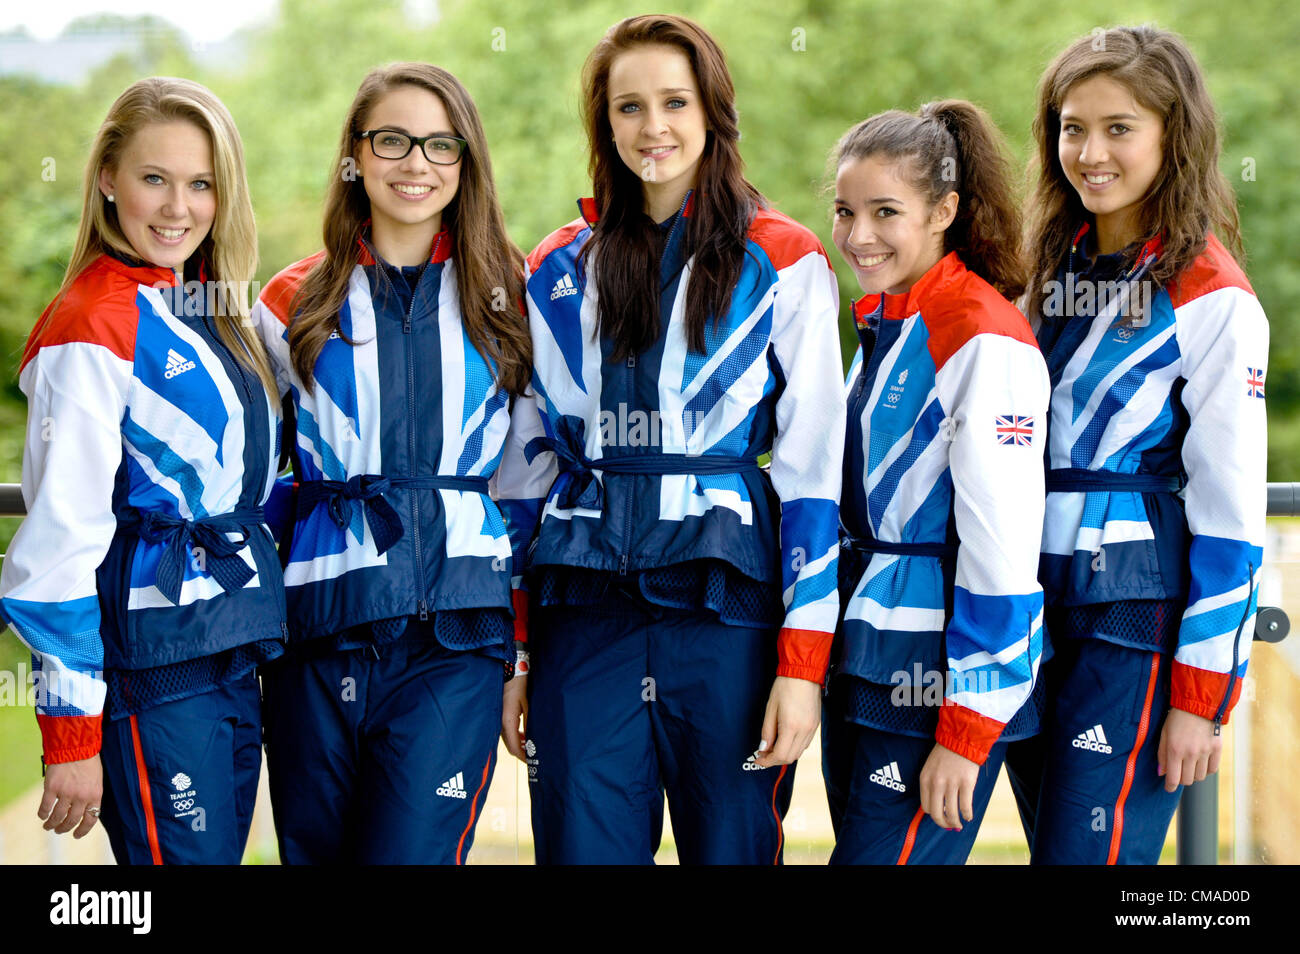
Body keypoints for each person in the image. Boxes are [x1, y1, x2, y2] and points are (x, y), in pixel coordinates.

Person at [494, 14, 845, 865]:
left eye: (675, 102)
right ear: (604, 123)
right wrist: (516, 651)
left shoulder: (787, 258)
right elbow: (521, 469)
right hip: (582, 613)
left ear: (712, 110)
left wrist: (801, 667)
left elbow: (813, 474)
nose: (653, 127)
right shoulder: (556, 266)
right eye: (629, 107)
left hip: (725, 609)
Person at [250, 62, 531, 864]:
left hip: (456, 635)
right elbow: (259, 478)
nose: (416, 163)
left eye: (440, 144)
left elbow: (531, 487)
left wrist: (520, 648)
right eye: (393, 140)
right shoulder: (291, 300)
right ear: (356, 155)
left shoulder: (512, 293)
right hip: (319, 630)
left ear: (466, 160)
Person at [0, 77, 285, 864]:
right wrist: (69, 734)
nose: (177, 208)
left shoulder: (208, 310)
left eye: (201, 185)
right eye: (153, 179)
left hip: (228, 649)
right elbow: (58, 541)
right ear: (105, 180)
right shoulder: (91, 324)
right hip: (150, 666)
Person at [1003, 25, 1269, 864]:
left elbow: (1231, 514)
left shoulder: (1215, 299)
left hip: (1131, 624)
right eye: (1072, 127)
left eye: (1120, 127)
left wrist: (1201, 696)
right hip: (1024, 611)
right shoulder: (1042, 271)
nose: (1089, 151)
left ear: (1172, 136)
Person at [820, 101, 1050, 864]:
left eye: (886, 212)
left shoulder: (980, 332)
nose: (858, 236)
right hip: (863, 660)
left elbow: (1004, 542)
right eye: (845, 212)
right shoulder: (888, 323)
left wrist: (969, 726)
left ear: (944, 210)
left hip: (933, 682)